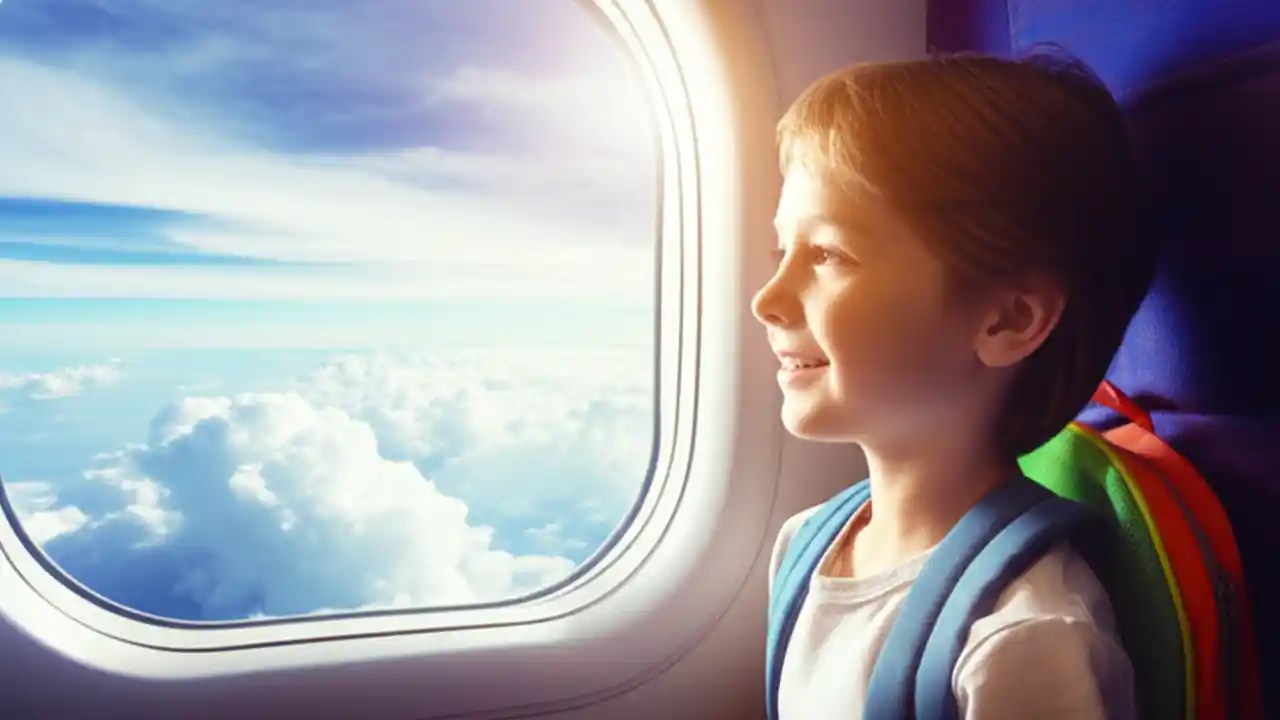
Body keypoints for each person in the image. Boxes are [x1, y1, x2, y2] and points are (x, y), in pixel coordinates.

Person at [753, 50, 1157, 718]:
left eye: (827, 255)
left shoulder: (1024, 634)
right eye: (781, 252)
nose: (767, 298)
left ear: (1007, 320)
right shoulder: (806, 545)